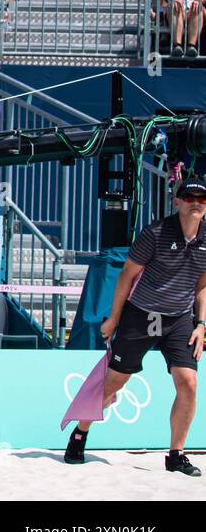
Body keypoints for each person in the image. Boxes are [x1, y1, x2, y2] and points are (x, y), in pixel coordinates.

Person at [64, 175, 206, 476]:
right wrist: (114, 318)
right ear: (177, 201)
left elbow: (203, 285)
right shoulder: (154, 233)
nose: (196, 202)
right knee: (115, 383)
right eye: (190, 197)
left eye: (202, 199)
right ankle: (80, 433)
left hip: (179, 318)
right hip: (141, 314)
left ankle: (176, 455)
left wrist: (201, 323)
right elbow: (126, 277)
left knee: (188, 383)